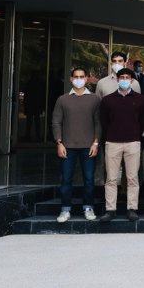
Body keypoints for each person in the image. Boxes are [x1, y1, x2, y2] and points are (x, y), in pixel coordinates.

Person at [52, 67, 101, 222]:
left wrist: (96, 142)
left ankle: (88, 207)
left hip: (89, 146)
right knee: (66, 179)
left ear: (86, 79)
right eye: (76, 77)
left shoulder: (94, 99)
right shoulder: (62, 99)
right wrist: (59, 142)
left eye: (82, 76)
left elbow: (98, 123)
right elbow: (56, 122)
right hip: (68, 146)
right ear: (71, 79)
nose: (79, 79)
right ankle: (65, 209)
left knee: (89, 179)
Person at [98, 69, 144, 222]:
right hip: (112, 142)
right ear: (117, 80)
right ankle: (110, 210)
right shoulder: (107, 100)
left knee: (132, 178)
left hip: (133, 142)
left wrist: (138, 136)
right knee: (111, 179)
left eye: (127, 77)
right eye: (122, 77)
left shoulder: (141, 100)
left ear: (132, 80)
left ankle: (132, 208)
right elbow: (104, 122)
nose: (125, 80)